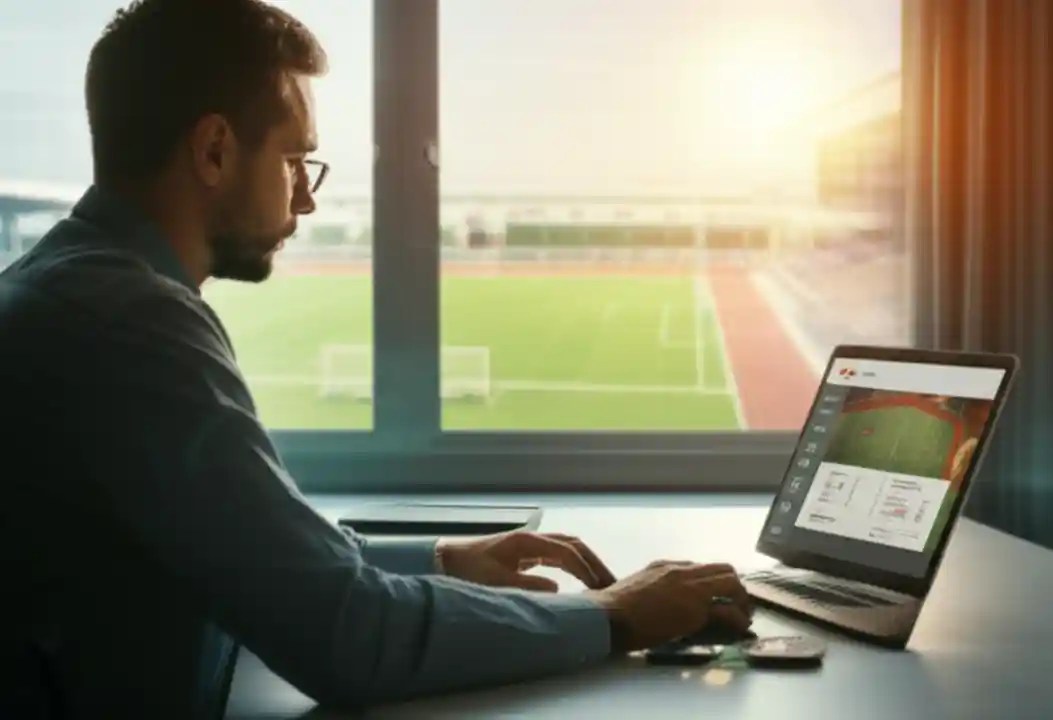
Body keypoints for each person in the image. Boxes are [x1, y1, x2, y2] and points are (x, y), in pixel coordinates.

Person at [0, 1, 752, 717]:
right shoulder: (128, 325)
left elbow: (261, 558)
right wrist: (611, 615)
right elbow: (348, 634)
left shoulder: (78, 289)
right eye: (295, 160)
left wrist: (441, 560)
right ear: (215, 150)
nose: (306, 199)